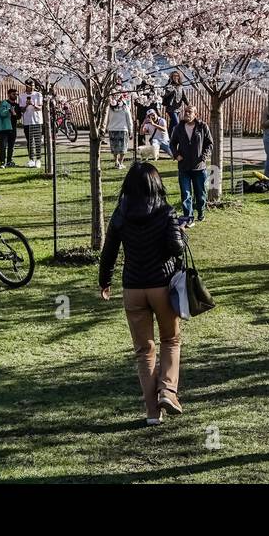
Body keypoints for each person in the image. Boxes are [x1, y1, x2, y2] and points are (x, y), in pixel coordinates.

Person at [98, 162, 187, 425]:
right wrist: (179, 233)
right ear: (156, 184)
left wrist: (105, 281)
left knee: (144, 351)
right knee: (170, 339)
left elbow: (109, 251)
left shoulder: (120, 213)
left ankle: (152, 413)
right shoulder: (165, 212)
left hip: (133, 288)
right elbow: (177, 249)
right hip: (162, 285)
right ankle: (168, 391)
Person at [170, 104, 213, 225]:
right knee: (186, 193)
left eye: (190, 112)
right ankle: (188, 217)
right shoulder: (178, 128)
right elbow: (172, 143)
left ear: (195, 114)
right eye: (186, 111)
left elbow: (209, 144)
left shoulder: (202, 126)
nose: (187, 113)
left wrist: (204, 157)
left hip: (199, 167)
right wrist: (176, 155)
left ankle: (201, 213)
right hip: (184, 167)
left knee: (200, 194)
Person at [18, 79, 44, 168]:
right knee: (29, 141)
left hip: (37, 120)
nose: (32, 88)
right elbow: (21, 110)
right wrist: (26, 105)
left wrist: (33, 104)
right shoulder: (22, 96)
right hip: (27, 121)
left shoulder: (38, 94)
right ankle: (31, 159)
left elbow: (40, 108)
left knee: (37, 141)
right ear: (26, 86)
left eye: (33, 86)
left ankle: (38, 159)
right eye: (30, 86)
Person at [0, 88, 20, 167]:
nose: (15, 96)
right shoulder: (4, 103)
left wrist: (15, 114)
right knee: (3, 146)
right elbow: (2, 113)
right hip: (4, 128)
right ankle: (2, 162)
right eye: (13, 94)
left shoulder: (17, 105)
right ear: (9, 95)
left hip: (13, 128)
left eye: (16, 94)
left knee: (11, 146)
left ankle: (9, 161)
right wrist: (9, 111)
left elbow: (18, 117)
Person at [107, 95, 132, 169]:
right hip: (123, 129)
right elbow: (129, 120)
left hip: (112, 129)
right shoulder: (125, 107)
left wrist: (106, 128)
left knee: (114, 147)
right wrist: (131, 130)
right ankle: (120, 163)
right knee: (123, 148)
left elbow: (107, 118)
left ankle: (116, 162)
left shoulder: (110, 108)